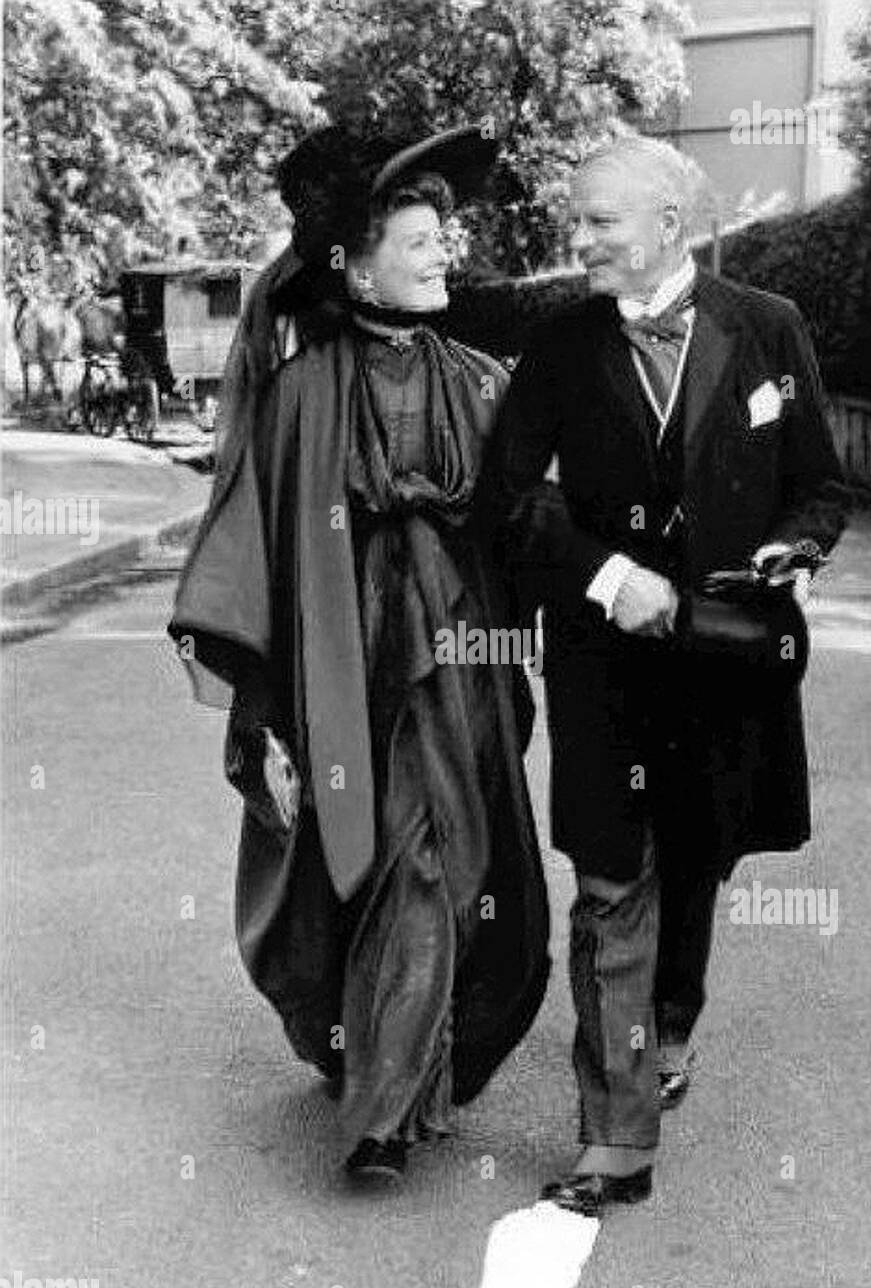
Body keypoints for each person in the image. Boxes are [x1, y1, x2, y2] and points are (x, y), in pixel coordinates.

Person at [168, 125, 550, 1182]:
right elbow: (246, 544)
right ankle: (382, 1112)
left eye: (444, 236)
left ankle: (395, 1076)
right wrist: (260, 711)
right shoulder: (298, 398)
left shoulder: (481, 381)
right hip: (347, 680)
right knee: (401, 864)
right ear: (359, 260)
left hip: (461, 680)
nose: (445, 253)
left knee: (451, 865)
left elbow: (533, 532)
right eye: (421, 237)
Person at [484, 134, 848, 1216]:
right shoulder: (557, 343)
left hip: (728, 666)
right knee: (610, 883)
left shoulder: (767, 326)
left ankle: (671, 1024)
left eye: (599, 220)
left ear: (667, 230)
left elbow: (819, 484)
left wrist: (795, 544)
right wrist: (603, 575)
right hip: (603, 669)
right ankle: (614, 1134)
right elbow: (502, 503)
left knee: (694, 862)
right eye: (578, 219)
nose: (579, 238)